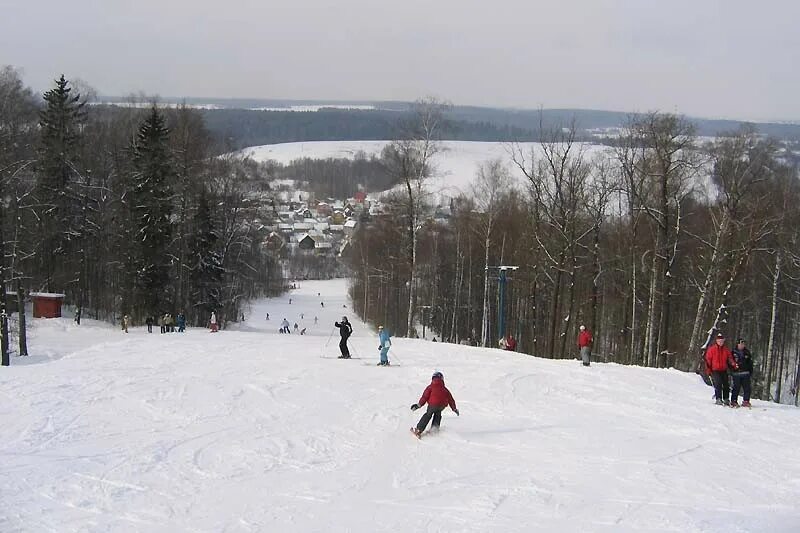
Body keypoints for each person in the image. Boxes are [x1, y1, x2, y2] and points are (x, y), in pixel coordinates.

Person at [410, 371, 459, 437]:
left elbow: (425, 397)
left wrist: (418, 405)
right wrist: (454, 409)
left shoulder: (430, 387)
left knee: (428, 415)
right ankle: (434, 429)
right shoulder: (445, 389)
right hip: (442, 406)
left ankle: (419, 429)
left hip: (433, 405)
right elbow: (451, 400)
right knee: (438, 415)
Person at [705, 332, 734, 405]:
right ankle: (718, 398)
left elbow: (730, 358)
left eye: (722, 341)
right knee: (718, 383)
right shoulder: (712, 349)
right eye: (719, 341)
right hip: (715, 369)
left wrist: (733, 363)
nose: (721, 342)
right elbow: (708, 360)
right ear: (717, 341)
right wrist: (708, 369)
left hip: (723, 369)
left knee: (726, 384)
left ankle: (726, 398)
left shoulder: (726, 350)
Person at [730, 338, 754, 408]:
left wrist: (750, 371)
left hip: (746, 373)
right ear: (737, 344)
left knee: (747, 388)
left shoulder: (747, 352)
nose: (742, 345)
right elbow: (730, 361)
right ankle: (733, 401)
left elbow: (750, 362)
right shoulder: (733, 352)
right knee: (736, 387)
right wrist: (732, 369)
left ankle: (746, 401)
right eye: (741, 344)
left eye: (743, 344)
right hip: (736, 373)